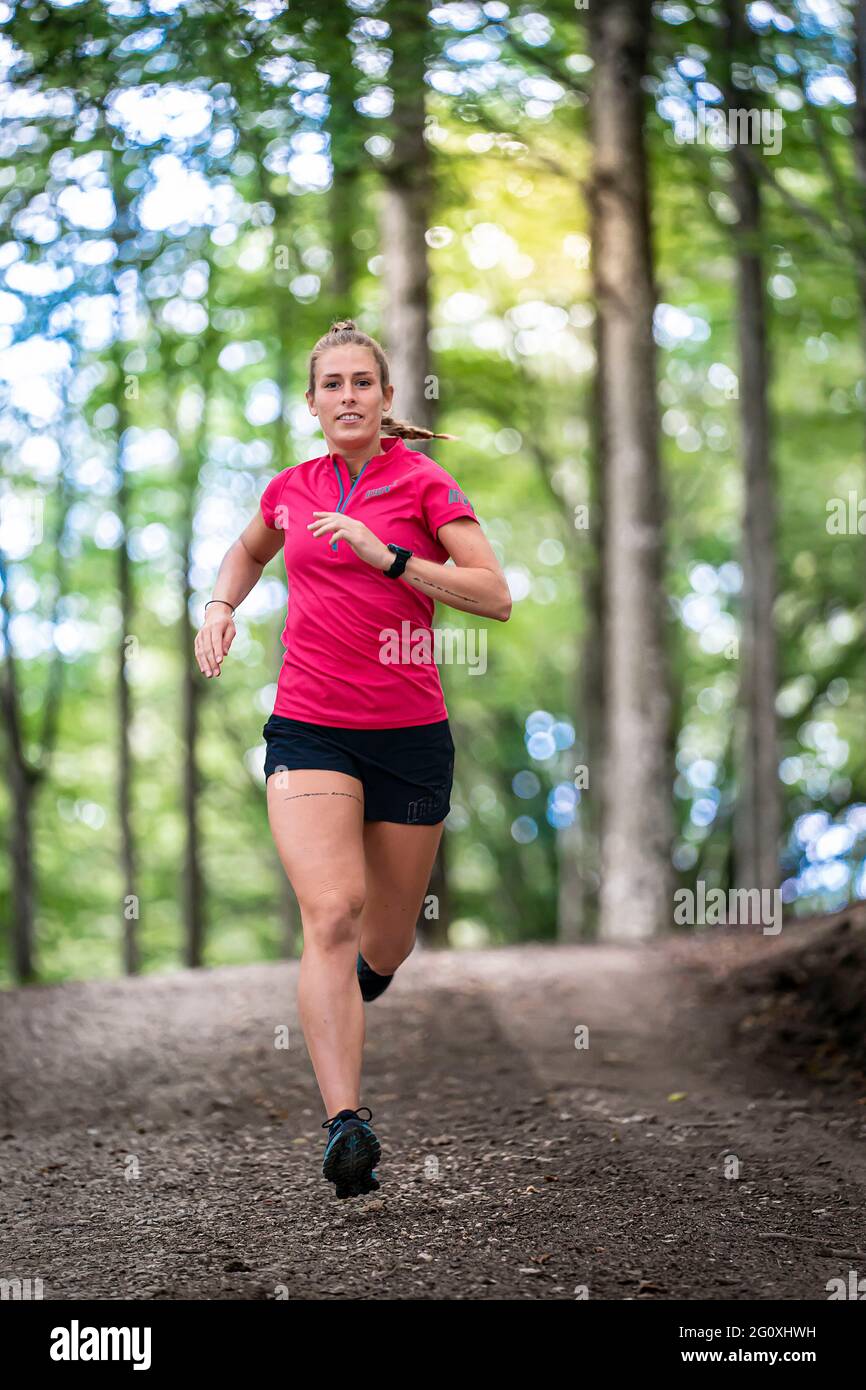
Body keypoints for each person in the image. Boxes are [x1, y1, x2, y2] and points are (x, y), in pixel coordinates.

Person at [194, 319, 511, 1198]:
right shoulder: (291, 489)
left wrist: (394, 557)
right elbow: (250, 549)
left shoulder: (425, 483)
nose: (346, 397)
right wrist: (220, 603)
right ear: (312, 402)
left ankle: (373, 972)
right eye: (330, 384)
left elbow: (495, 596)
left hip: (409, 735)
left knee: (387, 936)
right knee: (330, 912)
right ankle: (345, 1125)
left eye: (361, 382)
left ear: (385, 398)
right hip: (308, 727)